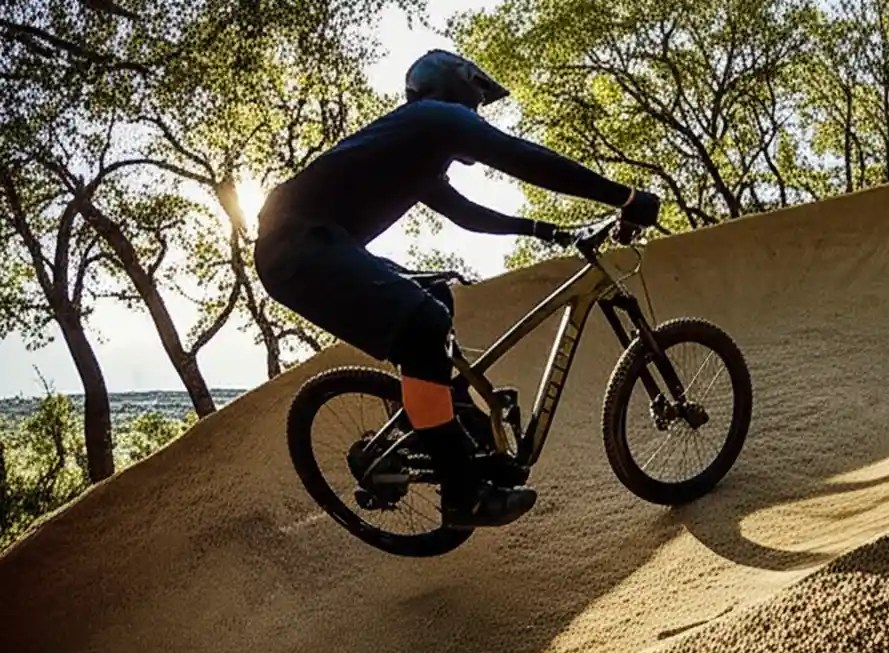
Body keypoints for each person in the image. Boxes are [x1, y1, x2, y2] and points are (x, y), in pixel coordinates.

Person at [254, 49, 660, 529]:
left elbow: (469, 216)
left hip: (319, 246)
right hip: (296, 247)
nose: (478, 114)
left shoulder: (419, 151)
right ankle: (462, 494)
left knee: (436, 298)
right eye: (477, 102)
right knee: (421, 322)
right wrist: (626, 197)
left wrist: (546, 230)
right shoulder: (434, 117)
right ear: (457, 87)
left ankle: (448, 424)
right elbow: (522, 158)